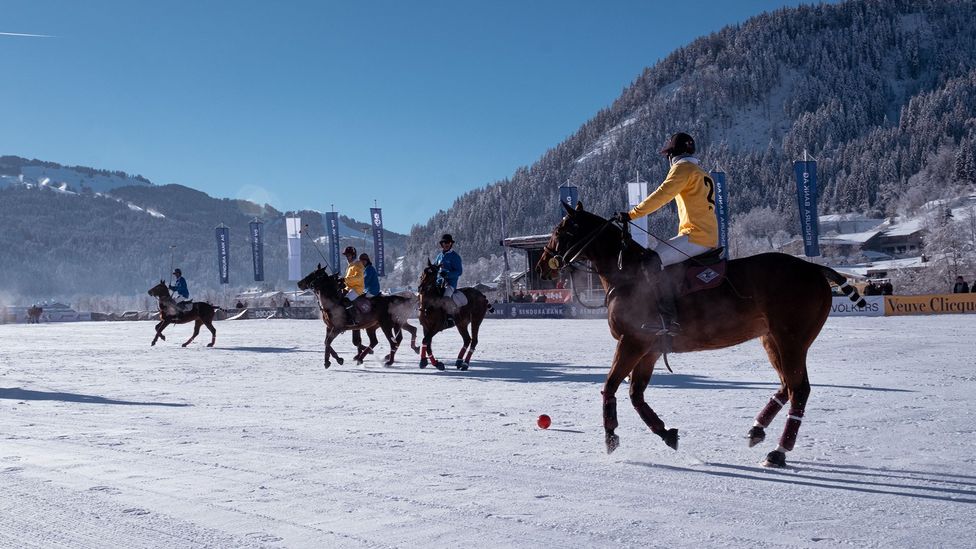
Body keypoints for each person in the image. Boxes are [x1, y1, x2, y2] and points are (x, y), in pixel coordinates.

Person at [615, 132, 719, 338]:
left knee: (651, 260)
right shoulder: (702, 173)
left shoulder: (682, 169)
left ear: (672, 155)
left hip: (695, 237)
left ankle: (668, 319)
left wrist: (631, 214)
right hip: (707, 236)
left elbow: (662, 195)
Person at [435, 233, 465, 326]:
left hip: (450, 284)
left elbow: (459, 271)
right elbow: (435, 268)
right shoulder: (439, 256)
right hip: (438, 283)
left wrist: (447, 274)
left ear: (451, 244)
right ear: (442, 244)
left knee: (446, 296)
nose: (446, 244)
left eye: (448, 242)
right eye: (444, 242)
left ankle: (449, 317)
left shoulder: (455, 256)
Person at [342, 246, 367, 323]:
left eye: (348, 255)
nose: (347, 258)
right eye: (346, 256)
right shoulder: (350, 266)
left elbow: (358, 277)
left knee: (346, 300)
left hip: (357, 289)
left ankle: (353, 319)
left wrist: (345, 279)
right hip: (349, 288)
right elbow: (348, 279)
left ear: (353, 255)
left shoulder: (358, 264)